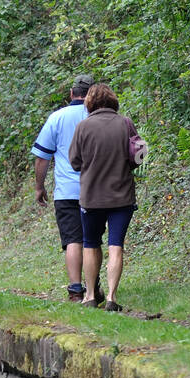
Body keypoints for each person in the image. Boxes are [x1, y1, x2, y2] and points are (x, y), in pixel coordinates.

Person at [68, 83, 138, 312]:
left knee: (90, 244)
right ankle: (111, 297)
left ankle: (89, 296)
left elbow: (74, 162)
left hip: (92, 197)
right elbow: (139, 154)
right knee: (115, 246)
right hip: (121, 196)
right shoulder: (125, 123)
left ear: (90, 102)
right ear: (112, 100)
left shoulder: (83, 126)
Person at [32, 74, 101, 303]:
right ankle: (93, 288)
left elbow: (42, 157)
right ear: (93, 94)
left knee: (73, 239)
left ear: (72, 94)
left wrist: (39, 187)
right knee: (92, 240)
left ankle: (75, 290)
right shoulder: (100, 117)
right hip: (96, 189)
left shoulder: (57, 118)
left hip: (66, 191)